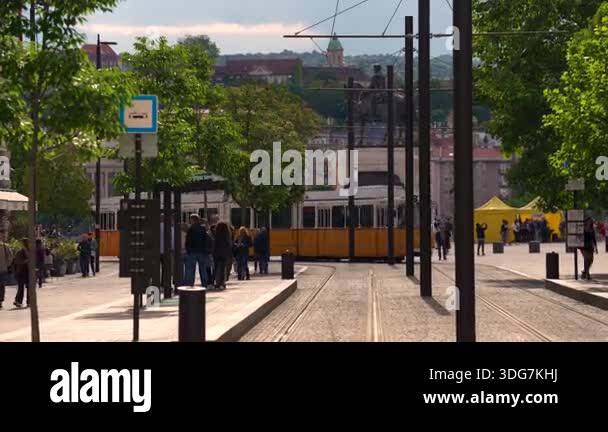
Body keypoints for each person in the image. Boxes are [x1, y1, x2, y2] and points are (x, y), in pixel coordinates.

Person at [185, 214, 211, 287]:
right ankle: (204, 284)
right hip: (202, 251)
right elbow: (206, 240)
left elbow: (188, 241)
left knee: (191, 269)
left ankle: (190, 284)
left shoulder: (190, 229)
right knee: (203, 269)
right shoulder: (202, 229)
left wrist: (188, 250)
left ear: (192, 220)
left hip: (192, 251)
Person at [213, 222, 233, 291]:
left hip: (216, 254)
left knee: (216, 268)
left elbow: (214, 245)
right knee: (222, 269)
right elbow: (229, 245)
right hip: (224, 254)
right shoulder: (227, 236)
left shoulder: (216, 235)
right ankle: (222, 283)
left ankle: (217, 283)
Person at [13, 238, 30, 308]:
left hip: (23, 271)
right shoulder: (21, 252)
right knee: (25, 287)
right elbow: (19, 262)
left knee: (23, 287)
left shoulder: (22, 251)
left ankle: (20, 301)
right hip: (23, 271)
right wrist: (27, 261)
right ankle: (21, 301)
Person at [0, 231, 13, 310]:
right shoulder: (5, 246)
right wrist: (7, 264)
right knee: (1, 286)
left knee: (1, 286)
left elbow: (10, 257)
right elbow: (10, 257)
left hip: (2, 270)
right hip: (3, 269)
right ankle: (0, 301)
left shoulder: (5, 246)